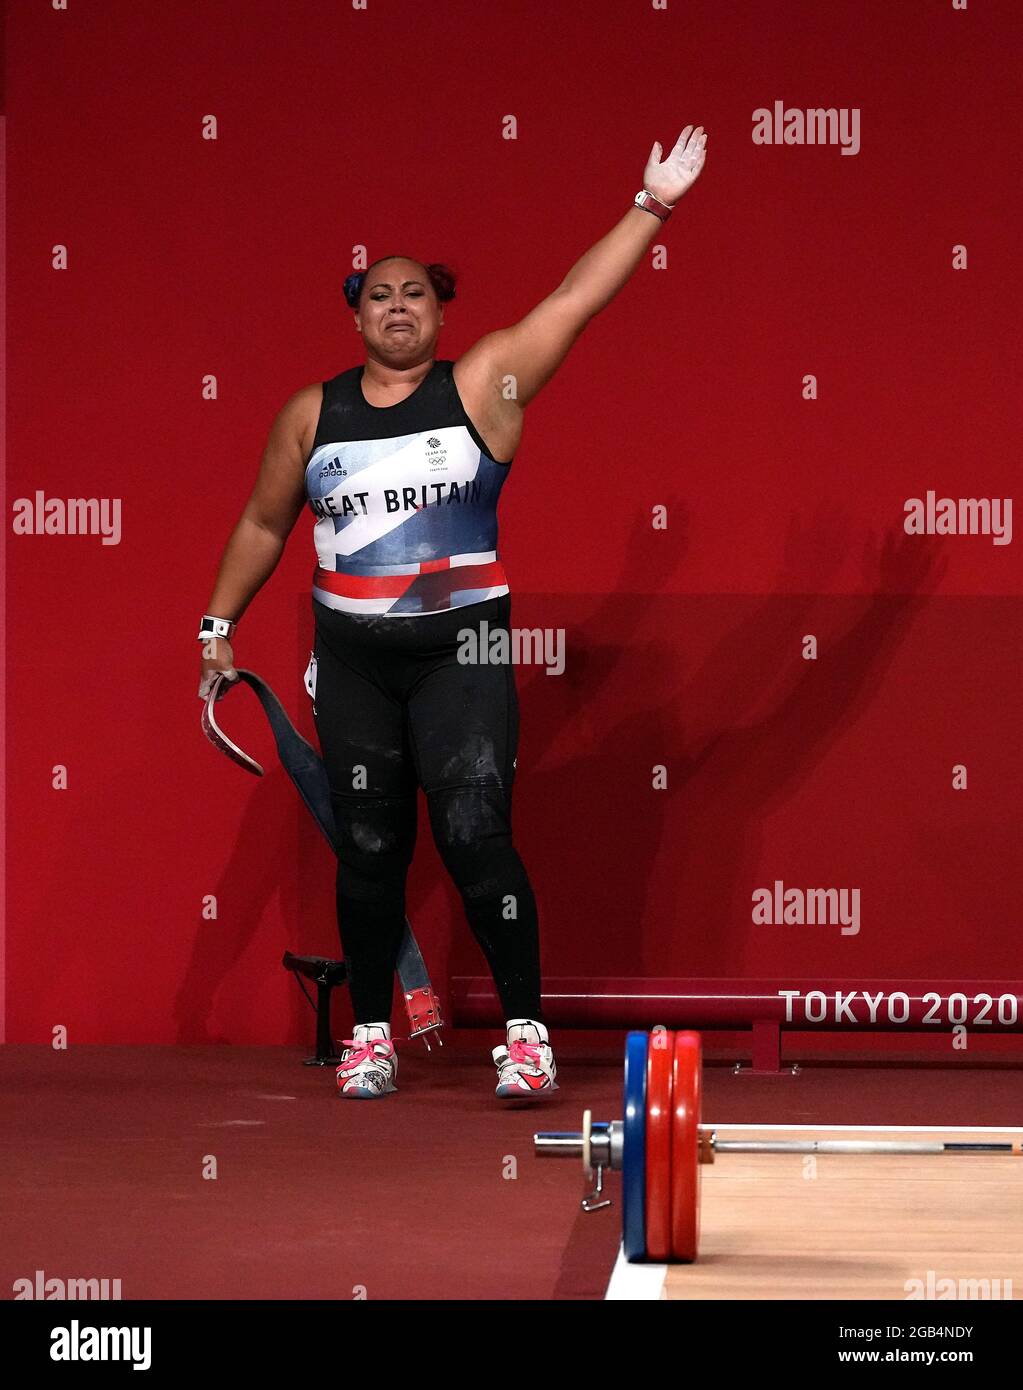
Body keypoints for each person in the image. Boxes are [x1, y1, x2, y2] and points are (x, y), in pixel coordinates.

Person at [197, 125, 707, 1100]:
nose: (397, 306)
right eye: (379, 293)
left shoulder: (485, 385)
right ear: (357, 317)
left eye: (415, 293)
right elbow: (264, 524)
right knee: (371, 843)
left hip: (462, 644)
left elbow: (574, 299)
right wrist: (216, 627)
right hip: (352, 655)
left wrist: (652, 204)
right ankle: (373, 1035)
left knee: (474, 829)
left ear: (439, 312)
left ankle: (524, 1036)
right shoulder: (313, 413)